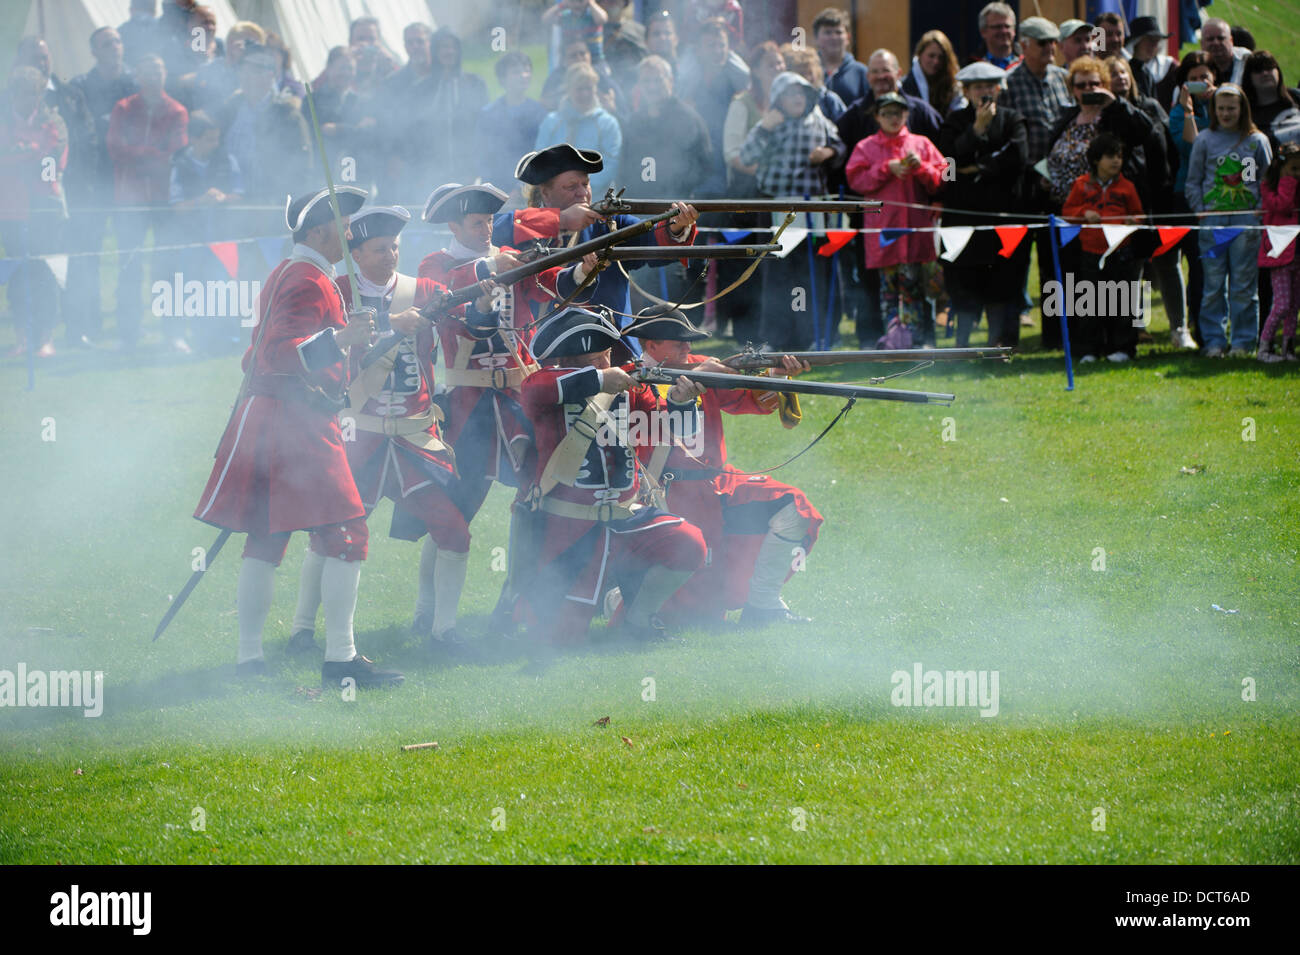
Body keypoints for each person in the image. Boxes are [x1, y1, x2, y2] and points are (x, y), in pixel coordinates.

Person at [193, 184, 404, 687]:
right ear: (316, 229)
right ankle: (340, 659)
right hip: (296, 422)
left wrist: (345, 340)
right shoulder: (308, 278)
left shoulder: (300, 273)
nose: (352, 232)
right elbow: (277, 355)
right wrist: (341, 339)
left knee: (268, 539)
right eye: (344, 222)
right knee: (348, 535)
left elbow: (263, 354)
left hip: (276, 419)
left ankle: (251, 662)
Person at [288, 205, 497, 655]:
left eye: (395, 247)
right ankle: (302, 630)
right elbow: (318, 348)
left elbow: (472, 330)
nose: (390, 256)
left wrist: (482, 304)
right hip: (358, 438)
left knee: (454, 532)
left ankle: (443, 630)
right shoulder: (336, 291)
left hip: (411, 439)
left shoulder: (423, 290)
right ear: (356, 253)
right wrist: (387, 325)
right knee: (329, 537)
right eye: (379, 249)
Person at [418, 183, 597, 629]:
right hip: (470, 405)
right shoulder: (436, 266)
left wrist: (581, 271)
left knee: (536, 499)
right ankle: (431, 615)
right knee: (455, 512)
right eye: (476, 223)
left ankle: (515, 603)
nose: (484, 230)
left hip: (520, 399)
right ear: (454, 226)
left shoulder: (507, 256)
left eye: (486, 223)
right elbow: (444, 293)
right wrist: (488, 265)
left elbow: (552, 287)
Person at [514, 306, 707, 645]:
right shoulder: (544, 386)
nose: (607, 365)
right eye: (595, 361)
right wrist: (599, 379)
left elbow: (677, 434)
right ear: (566, 362)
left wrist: (680, 401)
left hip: (625, 519)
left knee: (690, 545)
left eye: (606, 357)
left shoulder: (631, 390)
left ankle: (636, 621)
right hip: (570, 531)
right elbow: (537, 388)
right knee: (558, 640)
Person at [626, 306, 822, 627]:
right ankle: (619, 601)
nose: (688, 349)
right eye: (679, 343)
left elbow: (754, 400)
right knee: (697, 613)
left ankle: (764, 604)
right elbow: (652, 423)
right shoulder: (632, 381)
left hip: (718, 485)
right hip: (665, 493)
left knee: (795, 509)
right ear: (651, 346)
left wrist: (778, 374)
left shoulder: (700, 368)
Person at [493, 143, 699, 336]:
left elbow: (652, 240)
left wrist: (677, 225)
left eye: (585, 184)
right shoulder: (527, 224)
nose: (582, 193)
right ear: (546, 193)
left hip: (611, 348)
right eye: (571, 187)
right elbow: (491, 228)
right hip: (545, 350)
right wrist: (561, 220)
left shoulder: (610, 225)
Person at [739, 71, 845, 351]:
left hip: (813, 210)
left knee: (813, 274)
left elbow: (840, 146)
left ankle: (816, 336)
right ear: (778, 99)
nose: (797, 99)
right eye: (789, 94)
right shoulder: (770, 124)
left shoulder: (819, 120)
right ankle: (777, 338)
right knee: (777, 276)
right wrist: (764, 128)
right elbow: (746, 155)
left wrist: (829, 153)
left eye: (801, 93)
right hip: (776, 208)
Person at [846, 91, 947, 349]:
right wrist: (885, 168)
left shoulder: (922, 143)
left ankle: (921, 340)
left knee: (918, 287)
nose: (893, 118)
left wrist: (921, 167)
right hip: (883, 232)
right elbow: (856, 181)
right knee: (888, 291)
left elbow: (942, 180)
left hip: (916, 232)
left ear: (907, 114)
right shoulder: (866, 146)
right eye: (887, 113)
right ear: (877, 116)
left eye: (898, 113)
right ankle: (892, 341)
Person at [938, 62, 1028, 348]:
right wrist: (976, 129)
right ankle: (962, 347)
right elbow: (948, 164)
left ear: (999, 88)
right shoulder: (954, 121)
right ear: (966, 91)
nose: (985, 92)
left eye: (990, 86)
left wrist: (976, 167)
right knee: (963, 283)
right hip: (962, 220)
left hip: (1001, 216)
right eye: (978, 87)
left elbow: (1017, 159)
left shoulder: (1013, 119)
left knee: (1003, 284)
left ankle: (999, 344)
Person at [107, 53, 188, 351]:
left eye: (159, 71)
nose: (154, 77)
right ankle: (128, 334)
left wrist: (139, 153)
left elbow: (175, 153)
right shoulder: (124, 108)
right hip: (129, 199)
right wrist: (152, 154)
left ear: (165, 74)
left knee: (168, 267)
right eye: (147, 72)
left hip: (164, 199)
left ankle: (173, 333)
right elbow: (115, 147)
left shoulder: (177, 110)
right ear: (138, 76)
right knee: (129, 266)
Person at [1185, 83, 1272, 357]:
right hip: (1213, 222)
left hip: (1246, 222)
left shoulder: (1256, 141)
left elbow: (1265, 180)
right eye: (1220, 108)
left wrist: (1258, 209)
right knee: (1213, 284)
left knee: (1244, 284)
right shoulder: (1205, 140)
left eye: (1231, 108)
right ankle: (1213, 341)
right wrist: (1201, 209)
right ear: (1214, 110)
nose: (1226, 113)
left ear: (1242, 108)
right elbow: (1193, 181)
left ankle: (1243, 342)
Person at [69, 27, 138, 349]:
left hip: (128, 186)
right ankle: (86, 328)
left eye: (117, 41)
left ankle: (128, 328)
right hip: (93, 186)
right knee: (86, 259)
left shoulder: (136, 84)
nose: (114, 47)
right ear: (94, 51)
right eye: (106, 44)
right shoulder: (80, 88)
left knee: (130, 258)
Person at [1061, 132, 1145, 362]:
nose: (1116, 161)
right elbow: (1067, 212)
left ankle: (1123, 348)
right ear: (1096, 160)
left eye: (1119, 156)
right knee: (1089, 304)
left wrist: (1134, 221)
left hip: (1121, 252)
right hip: (1090, 251)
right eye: (1110, 156)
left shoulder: (1127, 187)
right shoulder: (1081, 185)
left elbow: (1139, 215)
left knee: (1122, 302)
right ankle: (1089, 350)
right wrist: (1083, 213)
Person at [0, 66, 67, 357]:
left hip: (44, 209)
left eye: (36, 94)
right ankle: (22, 338)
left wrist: (20, 156)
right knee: (17, 275)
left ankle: (44, 338)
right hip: (10, 210)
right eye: (25, 94)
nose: (31, 100)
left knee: (44, 273)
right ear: (13, 94)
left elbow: (53, 167)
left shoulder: (53, 122)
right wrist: (31, 156)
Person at [168, 110, 243, 352]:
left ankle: (225, 339)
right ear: (194, 138)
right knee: (191, 290)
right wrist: (201, 201)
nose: (215, 144)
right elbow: (177, 207)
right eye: (209, 139)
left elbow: (239, 197)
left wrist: (224, 198)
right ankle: (190, 338)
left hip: (223, 240)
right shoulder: (179, 165)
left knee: (223, 289)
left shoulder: (227, 160)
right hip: (192, 241)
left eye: (216, 138)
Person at [1167, 52, 1217, 348]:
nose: (1200, 83)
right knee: (1195, 267)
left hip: (1221, 197)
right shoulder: (1178, 113)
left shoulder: (1228, 106)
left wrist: (1213, 104)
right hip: (1186, 197)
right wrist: (1189, 112)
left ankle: (1213, 331)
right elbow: (1192, 148)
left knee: (1212, 268)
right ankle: (1197, 329)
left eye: (1205, 77)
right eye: (1194, 78)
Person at [676, 17, 749, 197]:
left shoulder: (737, 86)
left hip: (732, 174)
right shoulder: (688, 88)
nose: (718, 51)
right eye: (711, 46)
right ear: (698, 50)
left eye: (722, 45)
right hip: (697, 173)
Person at [535, 63, 622, 197]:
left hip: (597, 200)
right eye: (579, 89)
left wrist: (578, 189)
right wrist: (562, 189)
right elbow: (540, 159)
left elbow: (611, 164)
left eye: (589, 88)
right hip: (559, 199)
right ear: (568, 89)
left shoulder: (607, 123)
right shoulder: (551, 122)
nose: (585, 94)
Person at [477, 52, 548, 197]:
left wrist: (520, 189)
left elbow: (539, 157)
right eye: (516, 72)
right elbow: (483, 156)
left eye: (527, 70)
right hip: (495, 189)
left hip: (529, 191)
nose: (524, 75)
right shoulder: (489, 114)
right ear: (502, 78)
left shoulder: (539, 113)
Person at [1257, 143, 1300, 361]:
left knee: (1294, 306)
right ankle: (1264, 347)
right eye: (1293, 169)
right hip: (1280, 254)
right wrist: (1288, 182)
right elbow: (1281, 205)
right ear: (1281, 168)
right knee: (1282, 304)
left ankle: (1288, 349)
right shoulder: (1269, 188)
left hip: (1297, 254)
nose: (1297, 174)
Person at [812, 7, 868, 107]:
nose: (833, 37)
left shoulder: (861, 73)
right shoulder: (808, 70)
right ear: (816, 38)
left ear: (848, 37)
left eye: (838, 32)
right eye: (827, 32)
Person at [1242, 51, 1300, 149]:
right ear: (1249, 77)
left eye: (1269, 68)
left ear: (1278, 71)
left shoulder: (1296, 96)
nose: (1264, 73)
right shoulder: (1246, 112)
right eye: (1258, 70)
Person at [903, 30, 965, 118]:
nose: (936, 62)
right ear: (920, 55)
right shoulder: (905, 86)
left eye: (941, 57)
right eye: (931, 56)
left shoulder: (953, 87)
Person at [781, 46, 846, 123]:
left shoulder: (829, 101)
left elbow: (846, 130)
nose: (807, 78)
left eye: (810, 73)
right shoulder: (782, 102)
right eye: (802, 74)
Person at [543, 0, 608, 70]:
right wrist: (561, 5)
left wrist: (592, 4)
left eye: (580, 1)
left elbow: (602, 19)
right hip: (571, 60)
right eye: (573, 1)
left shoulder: (593, 15)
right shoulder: (565, 16)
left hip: (595, 60)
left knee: (603, 77)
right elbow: (546, 19)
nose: (577, 4)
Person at [1124, 16, 1176, 104]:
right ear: (1136, 42)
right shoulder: (1124, 69)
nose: (1153, 45)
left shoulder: (1169, 66)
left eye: (1157, 41)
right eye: (1149, 40)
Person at [1200, 18, 1249, 88]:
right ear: (1202, 44)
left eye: (1221, 38)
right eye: (1210, 39)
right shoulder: (1194, 65)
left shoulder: (1247, 60)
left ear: (1231, 41)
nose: (1216, 43)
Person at [975, 2, 1019, 70]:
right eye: (998, 27)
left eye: (1007, 26)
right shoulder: (973, 66)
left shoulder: (1027, 64)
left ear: (1014, 30)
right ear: (983, 32)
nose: (1004, 31)